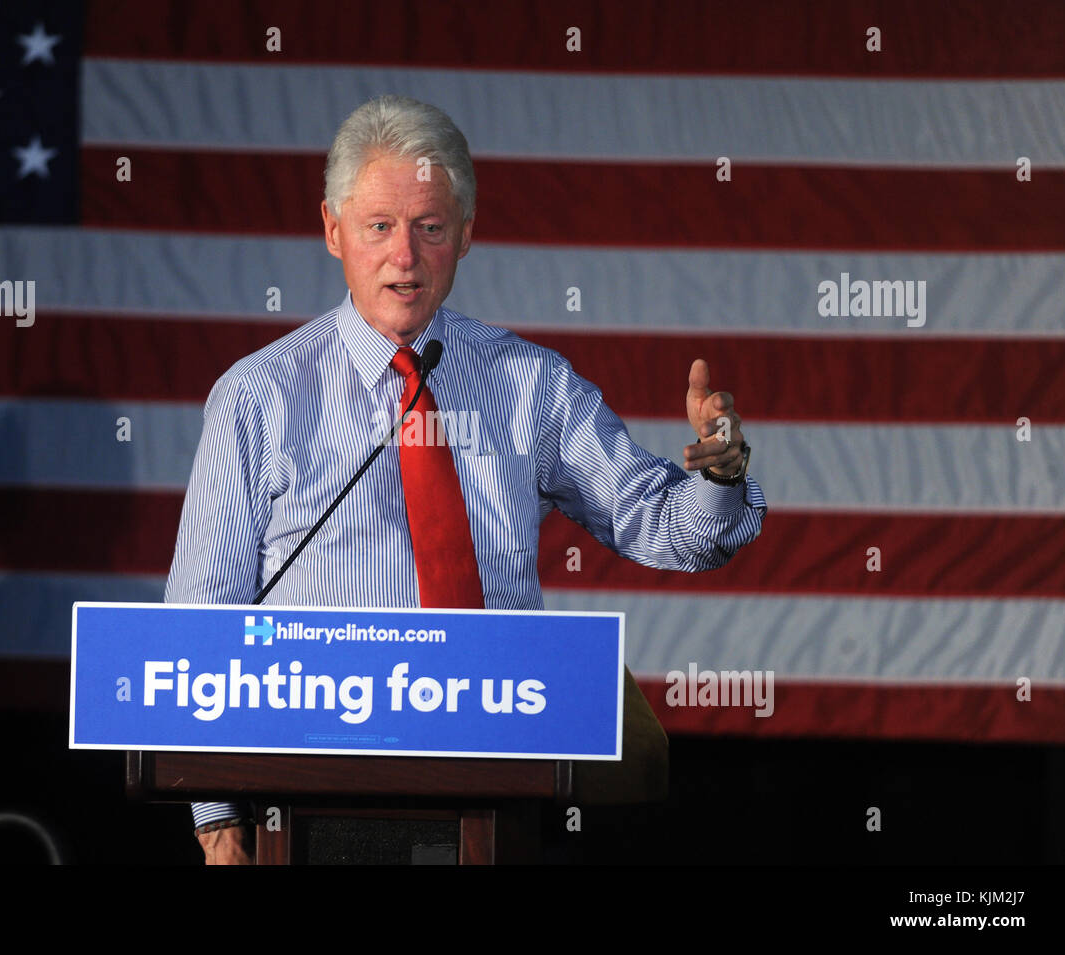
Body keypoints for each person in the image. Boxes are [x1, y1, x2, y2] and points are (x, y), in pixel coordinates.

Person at [164, 95, 766, 865]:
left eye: (431, 227)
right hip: (311, 806)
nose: (404, 256)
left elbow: (669, 529)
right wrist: (219, 826)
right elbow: (197, 625)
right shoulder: (258, 397)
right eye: (379, 226)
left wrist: (721, 475)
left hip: (496, 798)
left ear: (468, 235)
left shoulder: (531, 386)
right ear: (332, 229)